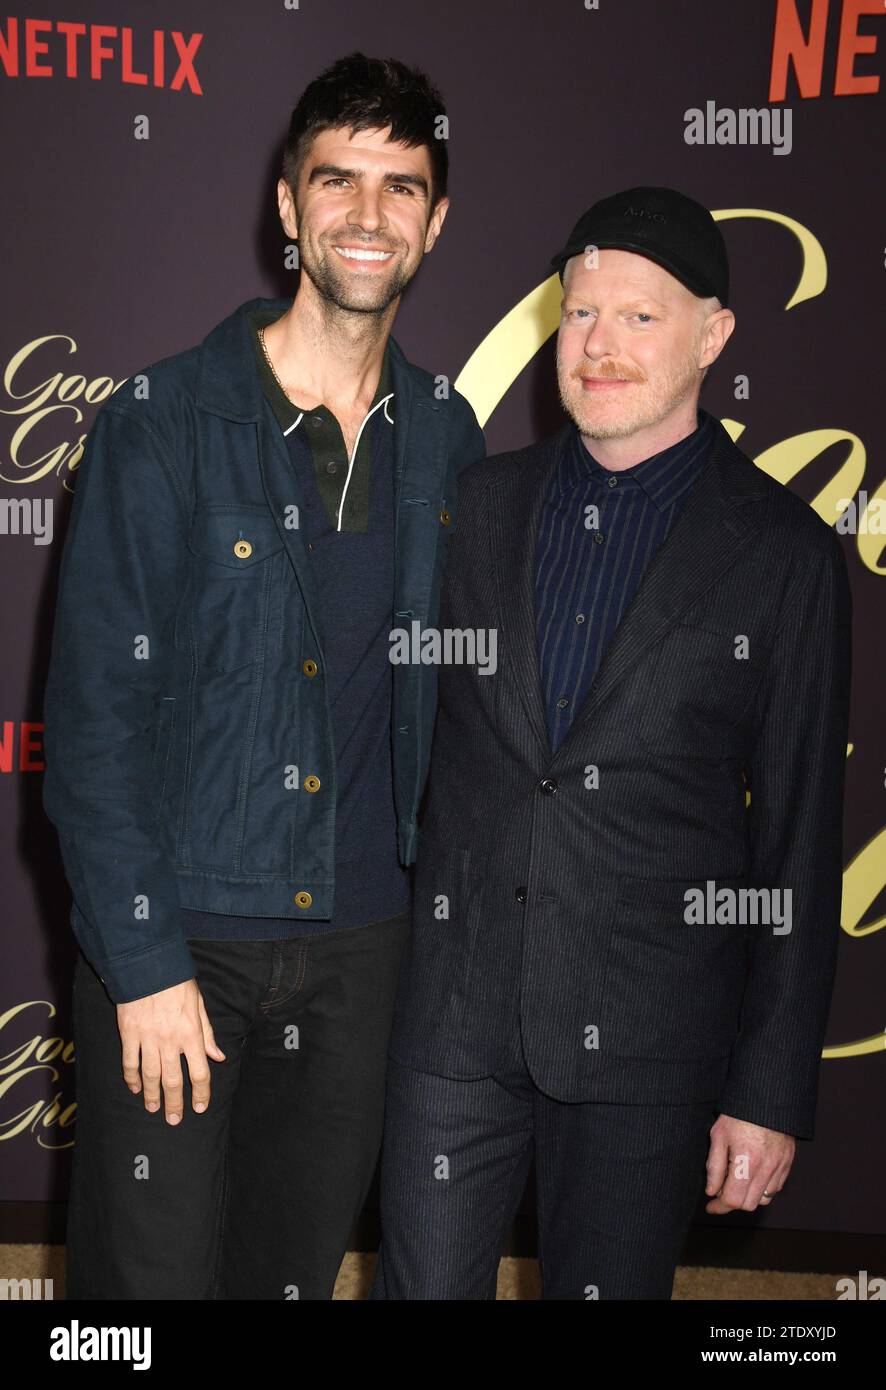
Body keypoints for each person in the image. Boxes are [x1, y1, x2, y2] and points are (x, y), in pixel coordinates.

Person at [41, 51, 484, 1300]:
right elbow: (93, 725)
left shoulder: (445, 434)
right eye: (335, 180)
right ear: (286, 206)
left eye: (400, 188)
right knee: (139, 1298)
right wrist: (144, 964)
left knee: (284, 1278)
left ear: (435, 223)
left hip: (361, 955)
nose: (366, 213)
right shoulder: (160, 420)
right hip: (188, 947)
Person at [372, 186, 852, 1300]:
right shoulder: (474, 507)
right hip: (452, 1027)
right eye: (582, 313)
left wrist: (770, 1087)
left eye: (641, 317)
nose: (602, 345)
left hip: (648, 1047)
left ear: (712, 336)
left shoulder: (782, 554)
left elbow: (796, 843)